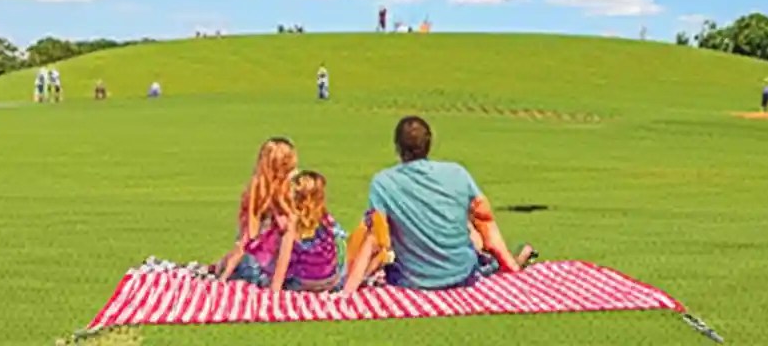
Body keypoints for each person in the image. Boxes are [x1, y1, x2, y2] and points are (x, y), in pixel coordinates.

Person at [341, 116, 531, 293]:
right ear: (429, 144)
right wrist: (510, 267)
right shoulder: (457, 173)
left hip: (413, 279)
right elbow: (486, 222)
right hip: (462, 274)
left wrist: (349, 288)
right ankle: (506, 263)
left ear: (397, 147)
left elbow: (377, 239)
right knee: (469, 224)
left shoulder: (383, 183)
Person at [213, 137, 299, 285]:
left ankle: (226, 264)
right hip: (282, 263)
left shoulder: (272, 188)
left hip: (272, 262)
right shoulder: (272, 189)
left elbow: (249, 234)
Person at [269, 171, 347, 293]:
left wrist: (274, 290)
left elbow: (284, 259)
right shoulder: (326, 219)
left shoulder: (292, 222)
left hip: (302, 283)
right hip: (329, 280)